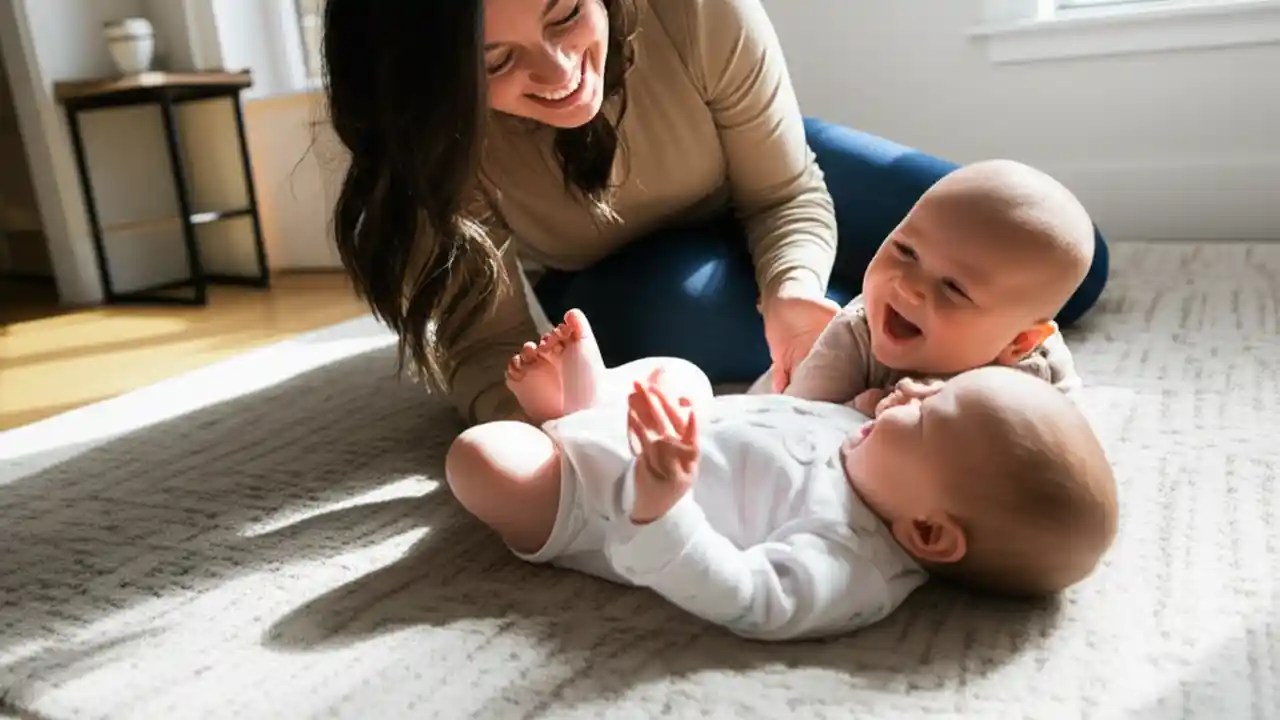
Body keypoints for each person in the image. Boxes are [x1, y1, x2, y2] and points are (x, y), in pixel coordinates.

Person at [321, 0, 1110, 426]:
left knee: (1061, 265)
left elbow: (784, 190)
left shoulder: (693, 9)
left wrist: (796, 290)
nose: (560, 72)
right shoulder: (430, 144)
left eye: (566, 15)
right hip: (626, 269)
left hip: (759, 181)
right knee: (691, 326)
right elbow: (485, 352)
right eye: (496, 61)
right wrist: (555, 420)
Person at [444, 309, 1118, 640]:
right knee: (682, 376)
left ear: (929, 533)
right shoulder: (873, 445)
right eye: (932, 387)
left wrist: (663, 505)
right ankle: (584, 405)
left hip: (595, 502)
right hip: (676, 424)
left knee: (482, 462)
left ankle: (562, 424)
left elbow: (749, 598)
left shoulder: (849, 563)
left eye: (928, 413)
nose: (909, 391)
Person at [770, 159, 1092, 414]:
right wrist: (858, 413)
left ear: (1019, 343)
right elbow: (792, 428)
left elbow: (1062, 479)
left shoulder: (1035, 383)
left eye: (953, 287)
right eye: (906, 251)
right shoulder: (856, 334)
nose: (909, 287)